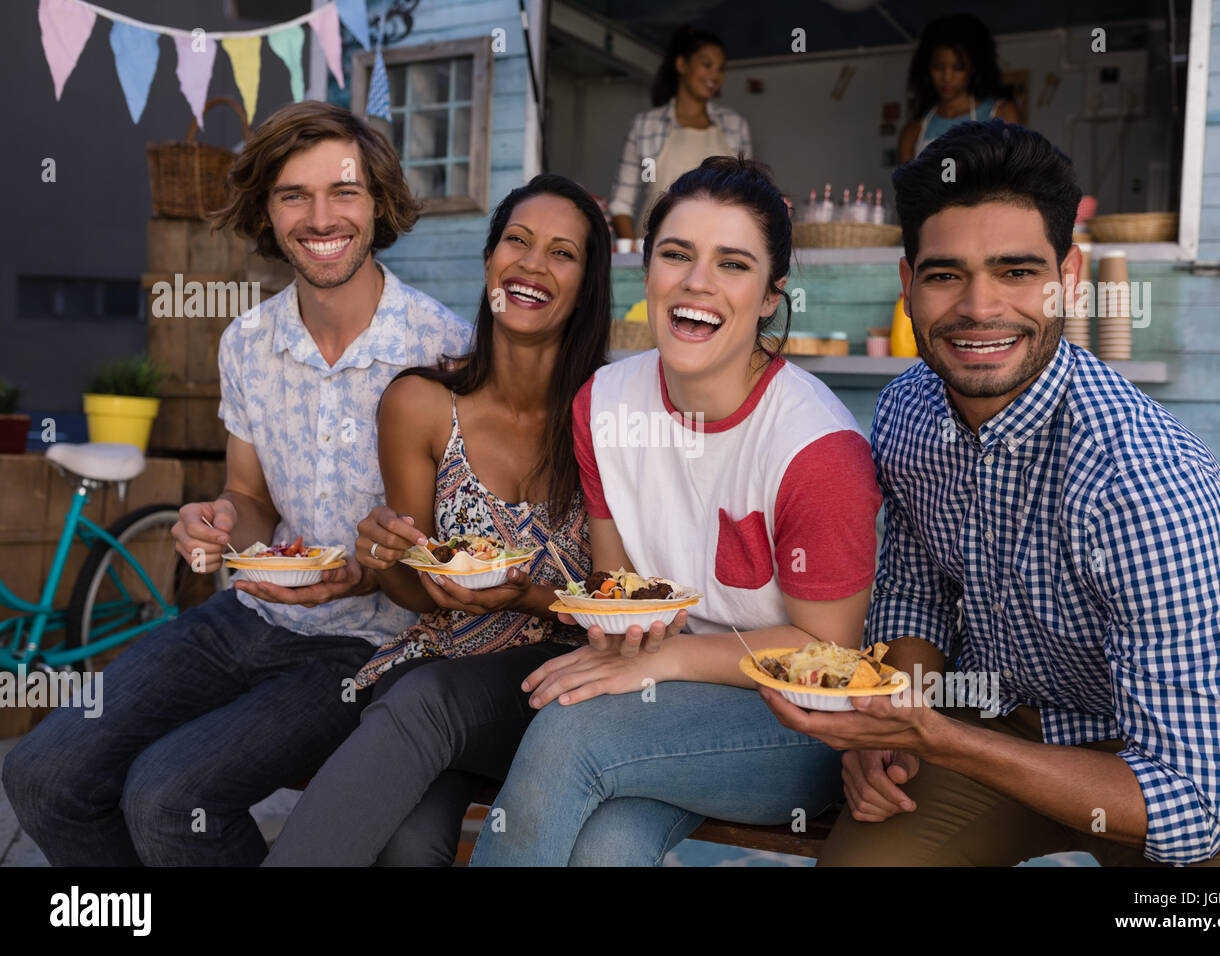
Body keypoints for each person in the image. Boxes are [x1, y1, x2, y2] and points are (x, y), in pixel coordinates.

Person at [760, 119, 1220, 867]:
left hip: (1153, 758)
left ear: (1067, 279)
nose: (979, 307)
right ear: (908, 287)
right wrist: (890, 728)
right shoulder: (909, 411)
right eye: (945, 275)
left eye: (1015, 272)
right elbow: (916, 591)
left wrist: (937, 736)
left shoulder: (1146, 480)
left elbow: (1193, 808)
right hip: (993, 724)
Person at [1, 101, 472, 866]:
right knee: (40, 773)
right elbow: (251, 497)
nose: (321, 217)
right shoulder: (248, 343)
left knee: (167, 795)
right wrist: (218, 522)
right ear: (267, 210)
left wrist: (370, 570)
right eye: (294, 195)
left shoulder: (446, 350)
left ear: (378, 202)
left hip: (371, 647)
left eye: (344, 191)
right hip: (250, 617)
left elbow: (465, 547)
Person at [469, 156, 883, 867]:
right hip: (663, 698)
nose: (698, 282)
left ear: (771, 296)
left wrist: (667, 659)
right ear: (647, 274)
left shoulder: (817, 449)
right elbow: (621, 597)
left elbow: (830, 658)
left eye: (733, 264)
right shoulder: (602, 405)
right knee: (606, 848)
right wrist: (639, 657)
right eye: (677, 255)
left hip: (798, 723)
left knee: (570, 734)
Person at [263, 175, 611, 866]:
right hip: (443, 677)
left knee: (424, 700)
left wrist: (528, 598)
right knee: (407, 844)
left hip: (562, 688)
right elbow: (420, 595)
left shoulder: (607, 415)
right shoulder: (421, 402)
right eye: (517, 240)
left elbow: (621, 598)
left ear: (586, 287)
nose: (533, 263)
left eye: (562, 253)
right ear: (489, 262)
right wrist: (390, 557)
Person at [608, 26, 752, 240]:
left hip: (721, 243)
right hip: (656, 246)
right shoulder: (646, 125)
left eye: (721, 68)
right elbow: (621, 202)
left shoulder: (735, 126)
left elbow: (747, 196)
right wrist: (631, 255)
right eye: (707, 64)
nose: (715, 75)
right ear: (682, 64)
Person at [898, 14, 1020, 163]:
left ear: (973, 68)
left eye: (958, 68)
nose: (947, 77)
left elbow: (1017, 178)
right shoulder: (913, 133)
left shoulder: (1001, 114)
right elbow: (907, 186)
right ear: (927, 68)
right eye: (939, 67)